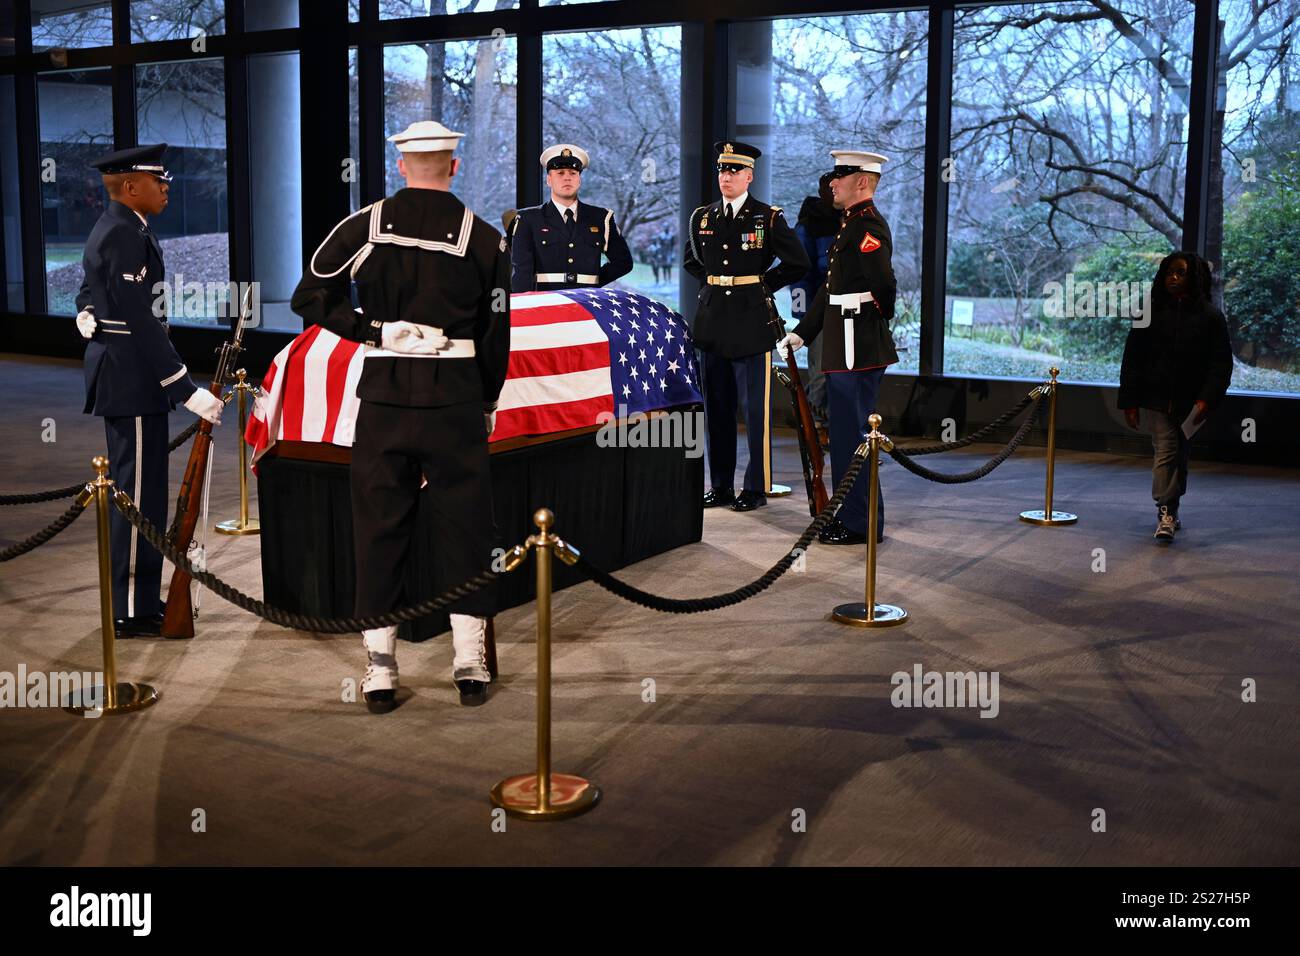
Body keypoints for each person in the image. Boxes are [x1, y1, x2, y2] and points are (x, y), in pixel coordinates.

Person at [290, 120, 511, 712]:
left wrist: (374, 329)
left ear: (401, 167)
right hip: (457, 399)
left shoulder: (363, 227)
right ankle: (468, 664)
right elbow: (496, 332)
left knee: (379, 525)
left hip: (385, 397)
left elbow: (308, 297)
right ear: (454, 167)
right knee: (468, 527)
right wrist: (486, 399)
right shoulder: (488, 239)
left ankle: (381, 670)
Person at [73, 143, 224, 639]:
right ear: (131, 185)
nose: (165, 188)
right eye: (158, 181)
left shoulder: (124, 227)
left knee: (146, 497)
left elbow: (97, 284)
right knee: (136, 499)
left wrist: (86, 307)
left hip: (132, 375)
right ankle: (127, 610)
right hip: (132, 380)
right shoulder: (121, 231)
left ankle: (138, 602)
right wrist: (184, 387)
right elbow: (138, 317)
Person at [778, 149, 899, 544]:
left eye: (841, 175)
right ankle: (852, 516)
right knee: (846, 437)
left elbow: (883, 289)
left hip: (856, 345)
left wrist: (863, 326)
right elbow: (830, 290)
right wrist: (803, 332)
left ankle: (861, 523)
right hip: (843, 341)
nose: (832, 182)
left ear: (862, 182)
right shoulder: (849, 223)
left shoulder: (867, 228)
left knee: (855, 438)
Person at [684, 140, 809, 512]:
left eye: (734, 171)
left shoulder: (768, 217)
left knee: (755, 412)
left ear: (749, 176)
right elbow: (692, 260)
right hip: (712, 323)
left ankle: (755, 487)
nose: (726, 176)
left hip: (752, 323)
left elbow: (798, 262)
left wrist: (761, 285)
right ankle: (721, 485)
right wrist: (713, 284)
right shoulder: (703, 217)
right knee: (717, 410)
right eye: (722, 170)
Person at [1118, 251, 1232, 542]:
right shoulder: (1148, 313)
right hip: (1155, 399)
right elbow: (1132, 360)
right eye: (1169, 272)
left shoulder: (1211, 317)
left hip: (1192, 401)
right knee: (1167, 450)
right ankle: (1165, 510)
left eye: (1180, 273)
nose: (1173, 277)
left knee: (1179, 454)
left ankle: (1172, 507)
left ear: (1194, 277)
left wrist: (1207, 399)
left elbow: (1220, 364)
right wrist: (1130, 401)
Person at [509, 143, 633, 292]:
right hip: (545, 302)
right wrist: (522, 308)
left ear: (579, 180)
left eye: (573, 173)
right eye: (560, 173)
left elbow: (623, 262)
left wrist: (593, 282)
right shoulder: (528, 219)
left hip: (587, 302)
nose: (567, 178)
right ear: (549, 180)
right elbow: (522, 271)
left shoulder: (601, 218)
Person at [790, 172, 839, 429]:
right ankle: (814, 426)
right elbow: (799, 274)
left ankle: (833, 425)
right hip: (817, 312)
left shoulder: (850, 220)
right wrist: (804, 317)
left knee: (840, 373)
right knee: (820, 372)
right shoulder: (808, 227)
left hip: (845, 311)